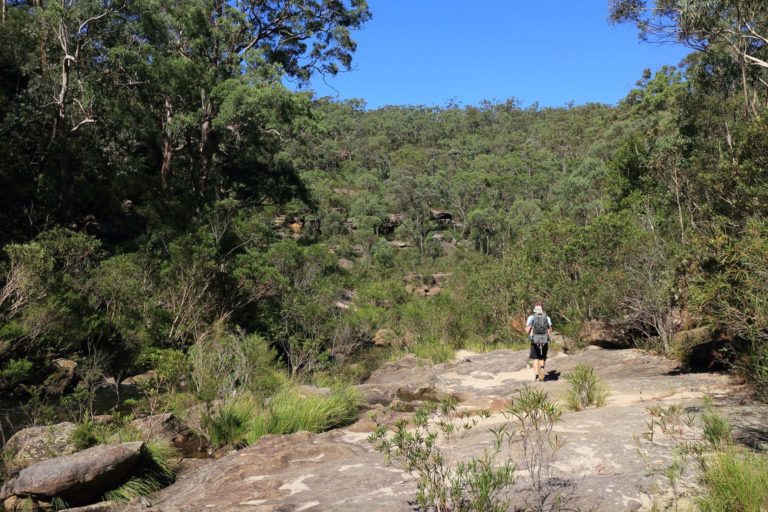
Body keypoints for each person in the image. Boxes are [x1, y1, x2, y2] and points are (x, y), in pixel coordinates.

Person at [526, 301, 552, 382]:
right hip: (544, 339)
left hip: (534, 340)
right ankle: (542, 367)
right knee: (542, 356)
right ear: (542, 309)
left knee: (535, 358)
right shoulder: (547, 317)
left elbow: (527, 330)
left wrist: (530, 328)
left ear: (535, 309)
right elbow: (550, 330)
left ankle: (537, 376)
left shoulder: (531, 317)